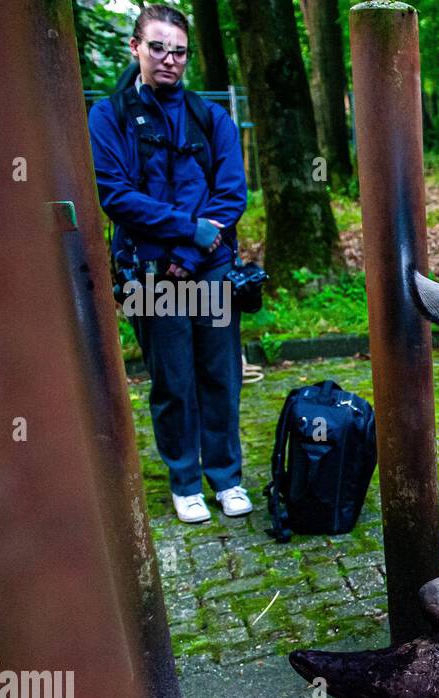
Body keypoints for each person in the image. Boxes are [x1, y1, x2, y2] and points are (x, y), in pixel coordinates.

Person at [88, 4, 250, 524]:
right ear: (135, 47)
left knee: (220, 375)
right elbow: (116, 196)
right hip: (148, 274)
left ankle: (226, 477)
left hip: (210, 268)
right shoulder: (107, 117)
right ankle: (184, 481)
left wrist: (188, 252)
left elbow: (231, 195)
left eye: (178, 50)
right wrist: (185, 232)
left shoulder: (212, 117)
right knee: (172, 379)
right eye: (157, 47)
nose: (169, 59)